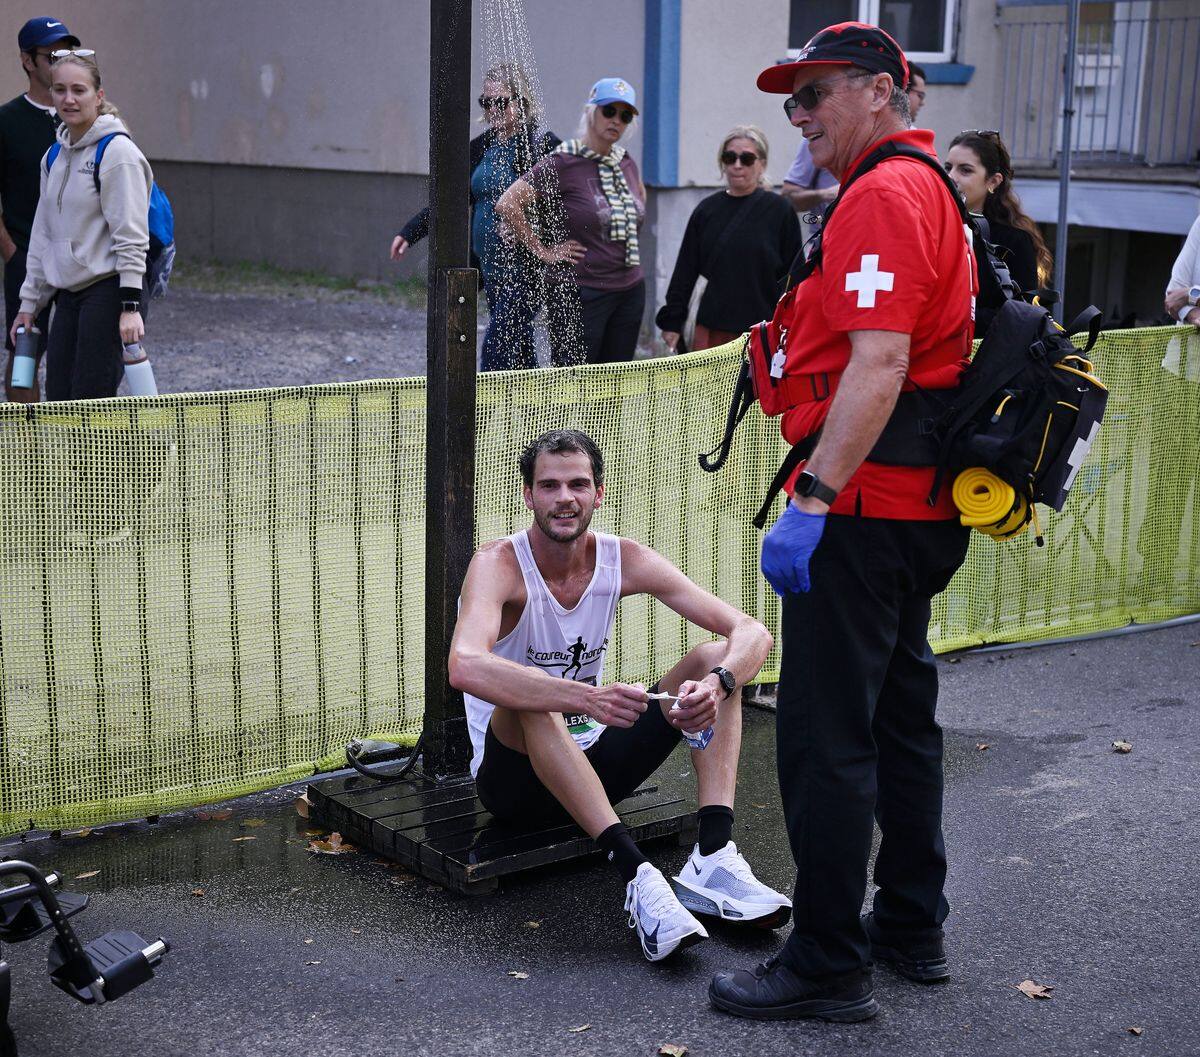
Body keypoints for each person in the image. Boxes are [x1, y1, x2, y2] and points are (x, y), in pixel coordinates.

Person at [708, 23, 976, 1021]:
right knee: (902, 718)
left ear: (876, 91)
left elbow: (879, 360)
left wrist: (811, 503)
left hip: (862, 508)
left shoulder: (885, 195)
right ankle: (910, 924)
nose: (801, 116)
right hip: (909, 505)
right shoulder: (919, 187)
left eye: (815, 95)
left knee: (827, 739)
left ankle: (825, 961)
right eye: (792, 101)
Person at [448, 428, 790, 963]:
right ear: (527, 495)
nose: (565, 498)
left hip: (596, 767)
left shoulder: (621, 557)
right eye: (550, 485)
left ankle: (714, 855)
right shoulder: (498, 564)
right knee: (531, 700)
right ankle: (638, 876)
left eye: (578, 484)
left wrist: (718, 685)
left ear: (599, 492)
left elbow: (750, 632)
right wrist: (581, 698)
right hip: (514, 785)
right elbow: (465, 665)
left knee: (708, 659)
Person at [391, 63, 566, 371]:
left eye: (501, 101)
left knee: (496, 351)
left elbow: (564, 198)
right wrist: (410, 232)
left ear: (521, 101)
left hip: (525, 272)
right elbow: (451, 201)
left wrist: (537, 232)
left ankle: (480, 415)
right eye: (486, 102)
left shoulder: (540, 144)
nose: (493, 109)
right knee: (520, 352)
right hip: (492, 270)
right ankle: (537, 415)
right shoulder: (482, 146)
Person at [10, 52, 152, 400]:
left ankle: (131, 456)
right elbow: (43, 236)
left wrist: (130, 308)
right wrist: (29, 305)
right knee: (60, 398)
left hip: (110, 289)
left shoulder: (117, 153)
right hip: (70, 293)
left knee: (92, 400)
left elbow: (132, 236)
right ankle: (79, 458)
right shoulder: (54, 156)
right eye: (60, 90)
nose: (69, 99)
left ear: (98, 97)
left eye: (79, 90)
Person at [497, 78, 646, 365]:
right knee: (574, 384)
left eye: (625, 115)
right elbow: (508, 203)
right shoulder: (564, 160)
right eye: (608, 111)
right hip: (580, 291)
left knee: (616, 384)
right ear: (591, 111)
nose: (616, 120)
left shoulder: (625, 161)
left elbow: (640, 201)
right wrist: (543, 250)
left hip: (628, 290)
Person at [656, 126, 800, 353]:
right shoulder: (706, 210)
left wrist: (791, 324)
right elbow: (685, 270)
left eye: (747, 158)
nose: (737, 165)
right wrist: (673, 321)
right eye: (729, 157)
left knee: (756, 390)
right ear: (722, 163)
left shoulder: (780, 211)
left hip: (760, 332)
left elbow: (793, 275)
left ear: (761, 163)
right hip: (710, 330)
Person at [1, 16, 81, 401]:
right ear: (28, 61)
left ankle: (79, 443)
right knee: (24, 356)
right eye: (52, 56)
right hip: (25, 253)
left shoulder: (84, 117)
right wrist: (11, 250)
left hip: (80, 258)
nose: (61, 61)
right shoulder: (7, 121)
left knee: (80, 357)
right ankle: (26, 450)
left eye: (68, 53)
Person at [1136, 214, 1200, 584]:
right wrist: (1189, 302)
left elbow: (1185, 295)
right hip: (1180, 375)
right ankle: (1154, 574)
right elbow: (1172, 297)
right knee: (1166, 483)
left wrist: (1193, 296)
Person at [944, 129, 1052, 299]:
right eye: (948, 168)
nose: (951, 177)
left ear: (993, 181)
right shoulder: (937, 229)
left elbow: (1020, 314)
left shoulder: (1014, 242)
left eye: (965, 170)